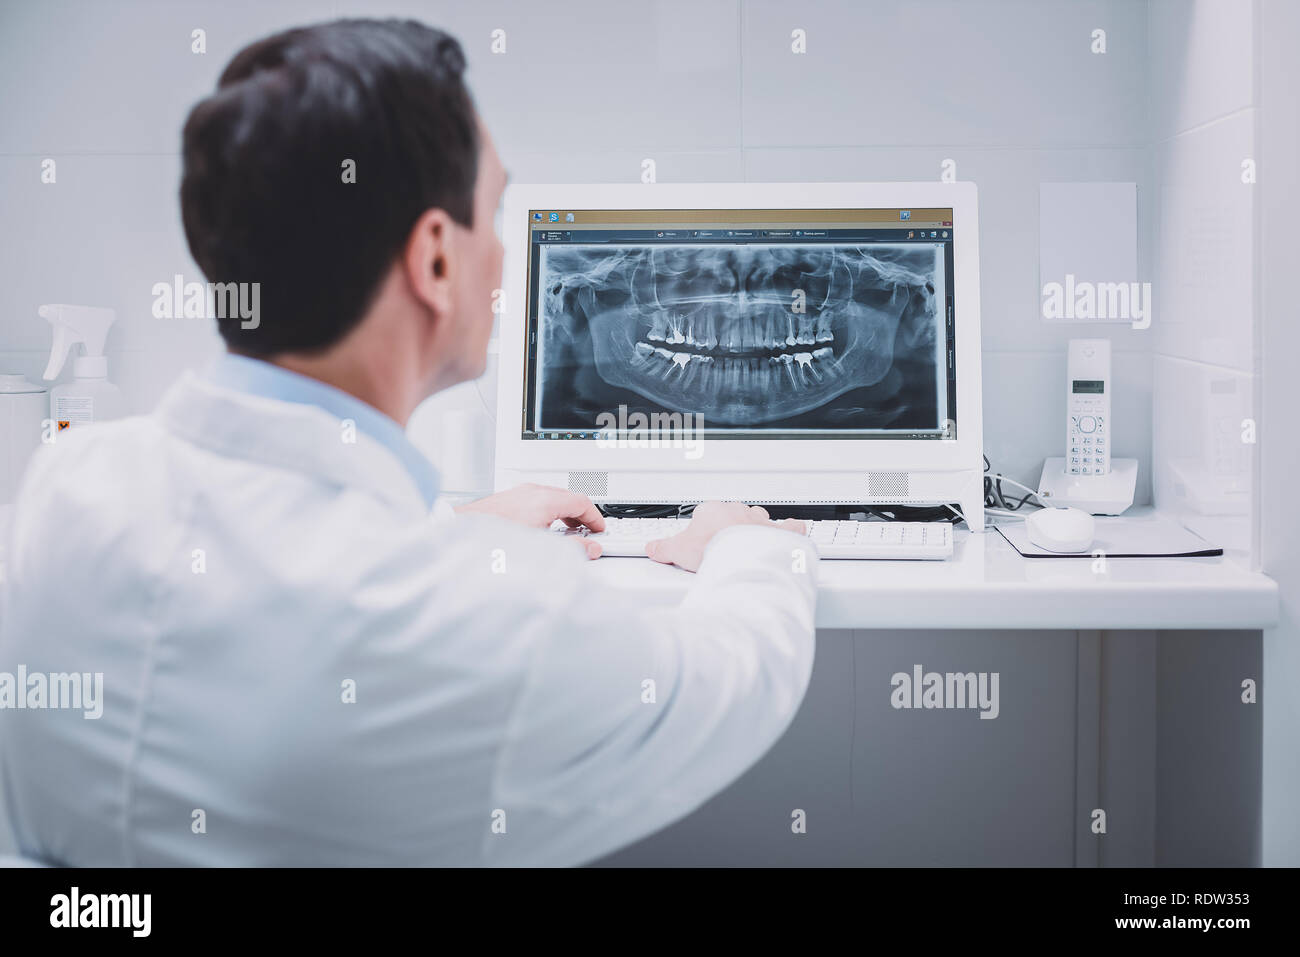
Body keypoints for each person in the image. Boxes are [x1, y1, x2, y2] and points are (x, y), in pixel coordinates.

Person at [0, 19, 818, 866]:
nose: (504, 254)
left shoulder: (65, 489)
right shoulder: (487, 622)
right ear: (434, 260)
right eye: (493, 214)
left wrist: (454, 534)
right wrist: (748, 548)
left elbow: (277, 567)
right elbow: (725, 685)